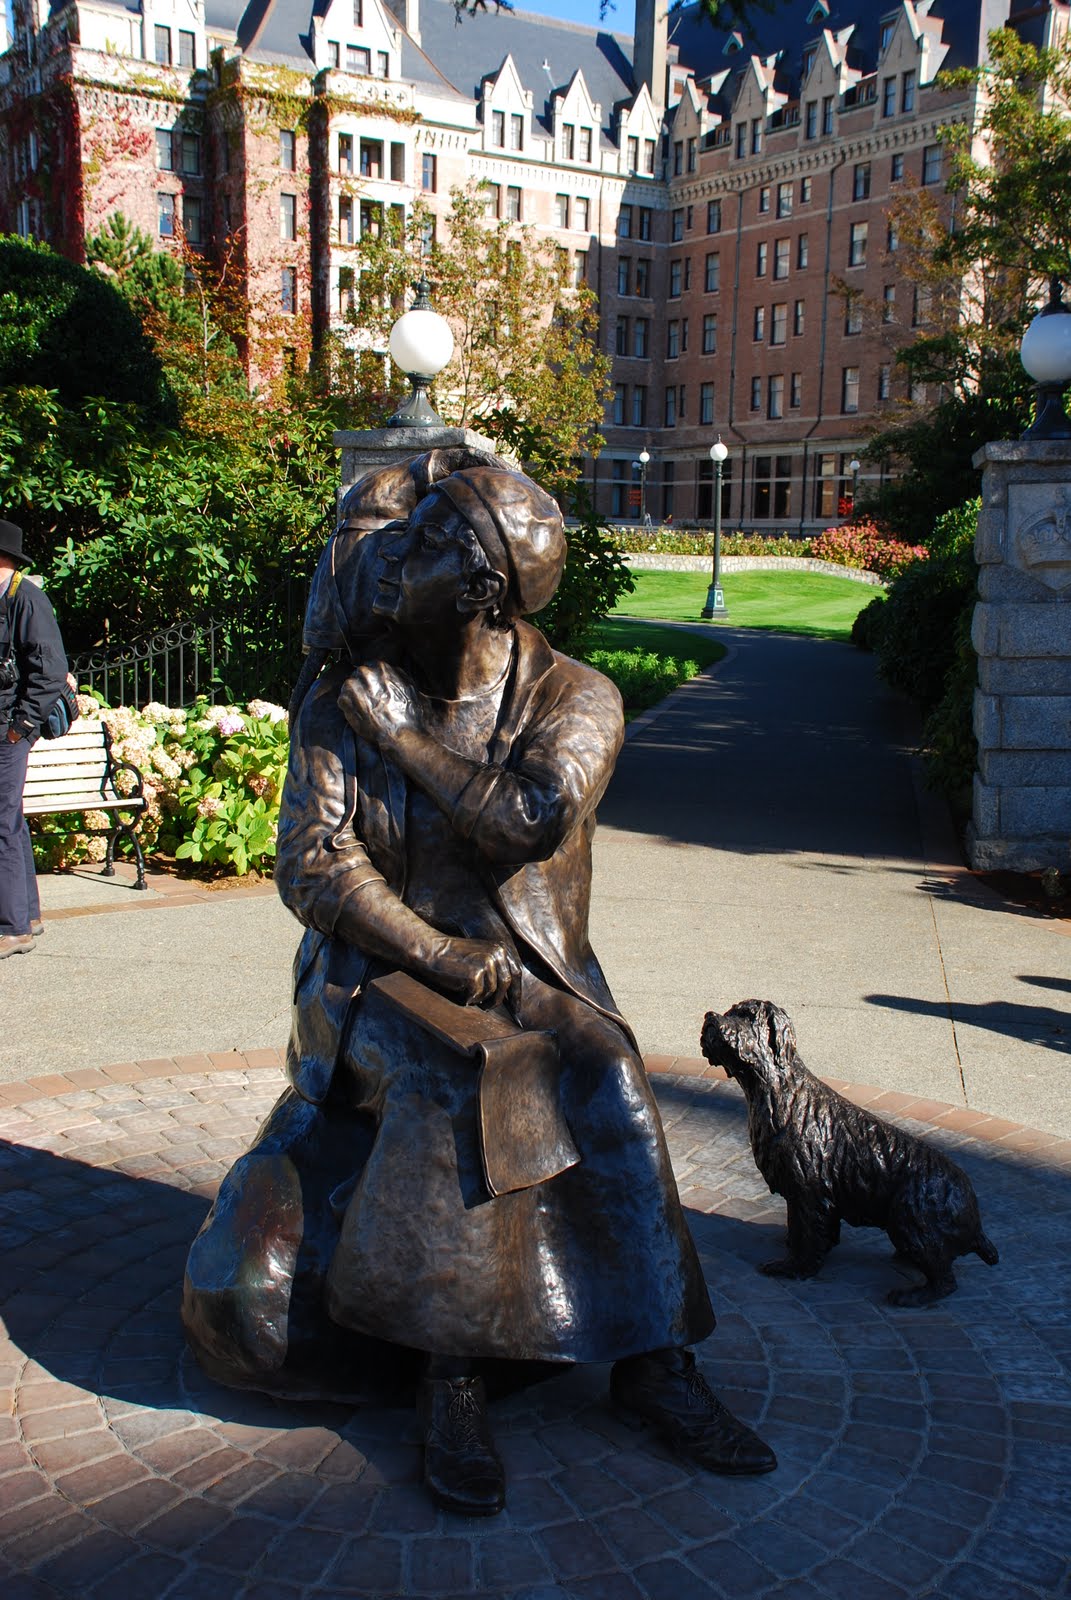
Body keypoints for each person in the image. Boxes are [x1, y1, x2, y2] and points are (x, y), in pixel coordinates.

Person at [183, 453, 775, 1516]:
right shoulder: (346, 690)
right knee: (462, 1079)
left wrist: (403, 742)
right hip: (379, 971)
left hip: (534, 970)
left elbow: (525, 820)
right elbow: (315, 865)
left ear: (477, 589)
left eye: (418, 542)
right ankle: (449, 1377)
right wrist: (434, 951)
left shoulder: (576, 698)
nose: (387, 557)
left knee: (612, 1081)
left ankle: (656, 1363)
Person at [0, 519, 68, 959]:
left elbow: (50, 671)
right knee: (11, 819)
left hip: (9, 730)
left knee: (1, 823)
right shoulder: (6, 598)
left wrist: (19, 728)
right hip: (7, 725)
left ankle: (12, 928)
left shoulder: (26, 598)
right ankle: (29, 915)